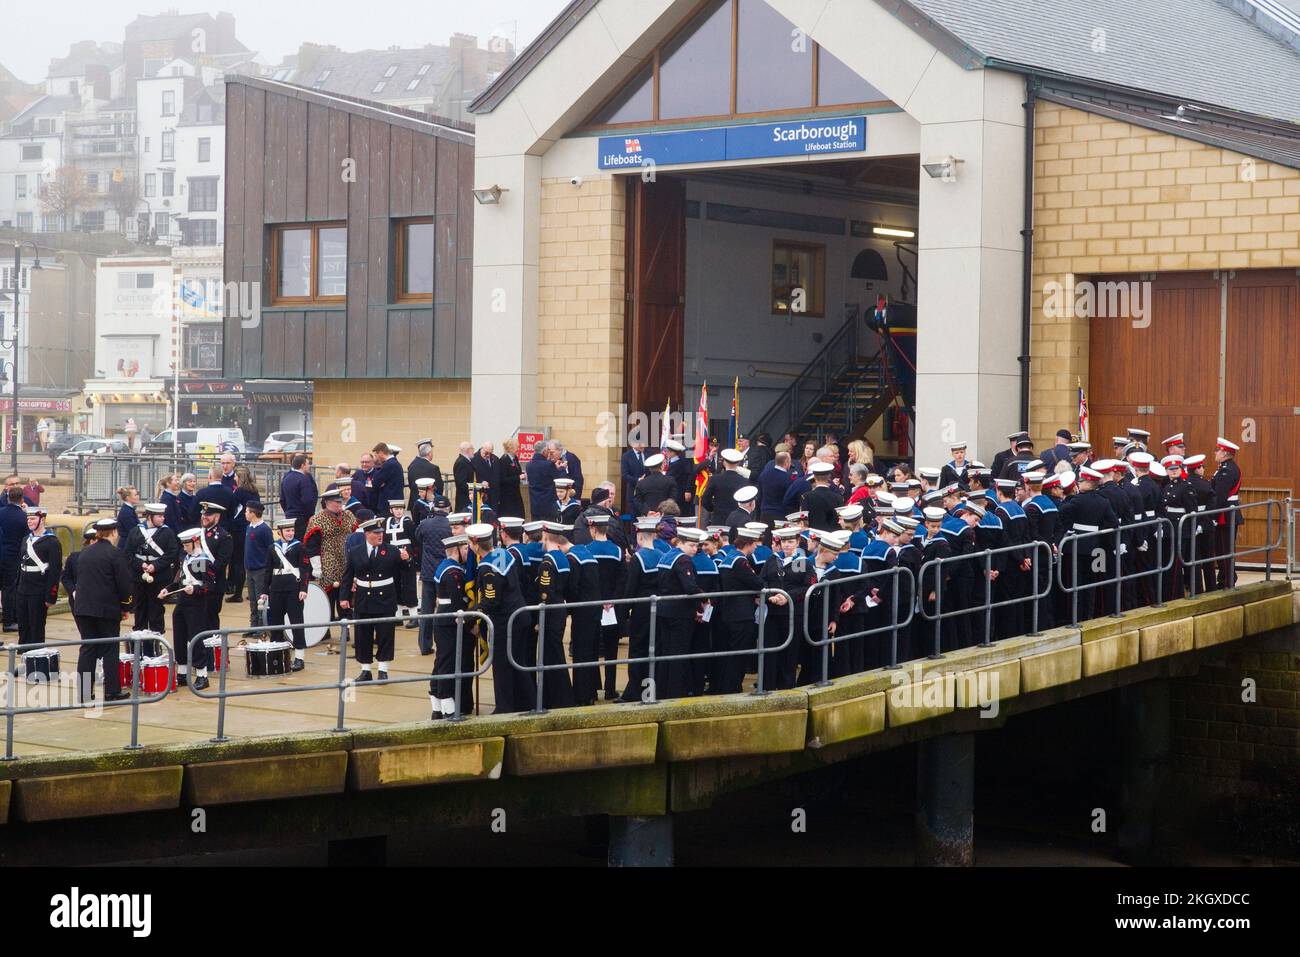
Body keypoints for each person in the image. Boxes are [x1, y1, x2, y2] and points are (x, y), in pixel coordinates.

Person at [469, 521, 532, 714]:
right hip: (519, 616)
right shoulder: (503, 553)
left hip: (506, 622)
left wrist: (470, 618)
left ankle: (505, 707)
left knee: (503, 666)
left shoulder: (487, 568)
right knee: (519, 662)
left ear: (475, 544)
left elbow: (491, 600)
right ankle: (527, 702)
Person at [72, 518, 134, 703]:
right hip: (106, 609)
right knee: (109, 649)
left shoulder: (85, 553)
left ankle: (84, 692)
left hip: (83, 608)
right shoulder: (114, 554)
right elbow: (124, 585)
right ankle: (112, 691)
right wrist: (126, 606)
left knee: (88, 649)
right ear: (113, 532)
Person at [340, 517, 405, 682]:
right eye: (376, 533)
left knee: (385, 635)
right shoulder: (355, 551)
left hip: (385, 597)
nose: (380, 535)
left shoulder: (391, 550)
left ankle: (383, 669)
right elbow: (347, 576)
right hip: (364, 598)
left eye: (381, 532)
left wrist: (407, 560)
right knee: (363, 635)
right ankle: (366, 670)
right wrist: (344, 597)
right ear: (367, 534)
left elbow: (404, 571)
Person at [655, 525, 706, 700]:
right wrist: (703, 601)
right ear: (681, 543)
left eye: (696, 546)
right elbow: (690, 587)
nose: (695, 549)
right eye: (691, 545)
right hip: (680, 614)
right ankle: (674, 692)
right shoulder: (683, 560)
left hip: (664, 611)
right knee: (678, 654)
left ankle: (662, 690)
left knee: (666, 653)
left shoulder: (666, 556)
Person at [531, 522, 578, 709]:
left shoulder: (547, 561)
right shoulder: (563, 558)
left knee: (551, 656)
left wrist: (539, 619)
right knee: (555, 654)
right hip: (560, 609)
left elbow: (545, 592)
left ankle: (558, 697)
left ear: (545, 536)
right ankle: (559, 696)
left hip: (550, 612)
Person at [429, 532, 474, 719]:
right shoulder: (454, 572)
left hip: (443, 619)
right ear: (455, 550)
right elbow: (457, 601)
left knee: (441, 661)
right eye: (465, 548)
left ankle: (437, 706)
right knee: (447, 663)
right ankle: (448, 707)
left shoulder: (444, 566)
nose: (468, 552)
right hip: (450, 622)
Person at [167, 527, 217, 691]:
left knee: (195, 640)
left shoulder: (202, 561)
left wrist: (195, 590)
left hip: (196, 604)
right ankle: (182, 673)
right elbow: (180, 579)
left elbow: (210, 586)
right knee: (179, 638)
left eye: (187, 544)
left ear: (195, 541)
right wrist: (167, 589)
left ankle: (202, 675)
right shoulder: (186, 558)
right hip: (182, 603)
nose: (184, 548)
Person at [619, 518, 662, 702]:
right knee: (654, 649)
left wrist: (622, 613)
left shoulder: (639, 558)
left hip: (641, 610)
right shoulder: (662, 555)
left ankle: (634, 691)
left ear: (639, 536)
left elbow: (630, 588)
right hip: (658, 608)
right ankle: (651, 689)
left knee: (637, 650)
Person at [303, 489, 358, 621]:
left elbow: (356, 536)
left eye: (341, 502)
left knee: (345, 597)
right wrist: (316, 566)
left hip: (346, 560)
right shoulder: (318, 519)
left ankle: (345, 629)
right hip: (327, 562)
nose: (339, 505)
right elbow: (311, 545)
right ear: (327, 502)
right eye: (336, 502)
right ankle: (324, 629)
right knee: (327, 598)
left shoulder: (348, 515)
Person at [124, 503, 178, 634]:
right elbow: (128, 553)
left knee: (156, 608)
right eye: (159, 516)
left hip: (159, 576)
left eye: (163, 516)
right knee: (140, 607)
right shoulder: (136, 531)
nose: (162, 518)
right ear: (149, 517)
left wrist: (156, 566)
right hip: (139, 575)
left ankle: (156, 636)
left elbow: (172, 553)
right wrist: (140, 564)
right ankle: (139, 636)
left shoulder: (167, 532)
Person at [264, 517, 309, 672]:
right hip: (276, 589)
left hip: (293, 589)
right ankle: (276, 654)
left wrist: (304, 589)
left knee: (296, 623)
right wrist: (264, 591)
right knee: (276, 623)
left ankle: (299, 657)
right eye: (287, 530)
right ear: (280, 532)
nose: (291, 533)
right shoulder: (272, 548)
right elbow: (267, 571)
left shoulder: (299, 547)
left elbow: (304, 570)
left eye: (292, 530)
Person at [16, 506, 62, 648]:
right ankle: (24, 656)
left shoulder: (52, 541)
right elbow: (21, 565)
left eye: (33, 518)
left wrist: (50, 596)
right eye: (28, 518)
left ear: (42, 520)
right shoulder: (26, 539)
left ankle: (36, 658)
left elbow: (55, 571)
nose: (29, 521)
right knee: (23, 626)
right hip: (23, 588)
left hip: (39, 590)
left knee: (36, 626)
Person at [196, 502, 233, 639]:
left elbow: (221, 563)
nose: (204, 517)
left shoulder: (224, 536)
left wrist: (202, 572)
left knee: (210, 618)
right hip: (197, 583)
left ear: (217, 517)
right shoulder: (197, 533)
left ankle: (212, 652)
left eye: (208, 515)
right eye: (203, 514)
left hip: (214, 584)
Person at [1211, 437, 1242, 590]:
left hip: (1226, 513)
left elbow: (1220, 496)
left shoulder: (1226, 470)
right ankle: (1225, 578)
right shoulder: (1225, 467)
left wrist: (1214, 517)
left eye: (1217, 450)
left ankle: (1227, 580)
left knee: (1224, 548)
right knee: (1223, 548)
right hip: (1228, 512)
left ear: (1224, 453)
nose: (1215, 453)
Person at [383, 498, 419, 628]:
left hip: (406, 557)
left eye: (401, 509)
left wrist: (412, 557)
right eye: (396, 509)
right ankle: (397, 617)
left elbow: (415, 541)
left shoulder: (408, 523)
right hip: (392, 558)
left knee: (409, 586)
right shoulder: (385, 523)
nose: (398, 511)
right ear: (391, 510)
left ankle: (414, 617)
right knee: (395, 585)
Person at [227, 467, 260, 603]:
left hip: (239, 529)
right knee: (252, 560)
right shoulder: (254, 491)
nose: (234, 478)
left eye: (235, 476)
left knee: (238, 561)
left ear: (239, 478)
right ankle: (254, 591)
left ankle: (238, 593)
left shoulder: (239, 492)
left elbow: (232, 508)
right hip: (252, 527)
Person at [242, 500, 273, 634]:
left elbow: (270, 549)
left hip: (260, 569)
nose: (245, 513)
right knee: (253, 599)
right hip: (250, 568)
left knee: (261, 599)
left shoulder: (264, 529)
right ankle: (253, 625)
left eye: (247, 511)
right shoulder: (249, 527)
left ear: (253, 513)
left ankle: (262, 626)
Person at [0, 485, 25, 633]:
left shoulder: (1, 512)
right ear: (21, 499)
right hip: (13, 557)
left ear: (8, 498)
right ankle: (9, 621)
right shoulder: (23, 517)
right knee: (10, 589)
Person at [700, 447, 747, 524]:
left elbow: (705, 500)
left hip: (718, 520)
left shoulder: (715, 479)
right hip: (737, 522)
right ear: (738, 463)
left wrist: (713, 509)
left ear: (724, 462)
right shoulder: (744, 481)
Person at [61, 525, 99, 615]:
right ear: (92, 541)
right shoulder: (74, 558)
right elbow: (66, 578)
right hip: (79, 600)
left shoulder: (107, 557)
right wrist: (73, 591)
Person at [280, 454, 319, 540]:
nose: (309, 466)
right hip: (302, 518)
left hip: (290, 516)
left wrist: (288, 512)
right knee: (302, 543)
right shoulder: (304, 479)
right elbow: (308, 500)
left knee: (292, 541)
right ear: (302, 465)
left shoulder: (286, 477)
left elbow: (282, 500)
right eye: (308, 464)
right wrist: (310, 515)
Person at [632, 453, 676, 517]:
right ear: (662, 466)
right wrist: (662, 512)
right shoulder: (670, 481)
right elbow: (673, 499)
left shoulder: (641, 483)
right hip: (665, 517)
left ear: (650, 468)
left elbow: (637, 501)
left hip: (648, 518)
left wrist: (647, 511)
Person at [407, 438, 444, 512]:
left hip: (415, 504)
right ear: (429, 453)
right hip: (429, 504)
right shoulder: (434, 468)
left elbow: (411, 486)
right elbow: (439, 487)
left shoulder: (411, 466)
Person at [525, 441, 559, 519]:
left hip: (534, 504)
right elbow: (558, 477)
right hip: (548, 505)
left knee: (536, 529)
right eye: (548, 450)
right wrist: (560, 468)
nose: (549, 452)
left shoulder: (528, 465)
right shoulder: (548, 465)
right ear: (544, 451)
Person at [371, 443, 405, 518]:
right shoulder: (394, 463)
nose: (376, 458)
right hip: (394, 503)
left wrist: (379, 483)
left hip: (388, 504)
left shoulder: (389, 464)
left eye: (376, 455)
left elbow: (375, 482)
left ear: (381, 453)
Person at [497, 439, 526, 518]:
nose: (518, 449)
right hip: (507, 496)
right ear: (510, 448)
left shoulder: (515, 459)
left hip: (515, 493)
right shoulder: (503, 460)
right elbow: (503, 479)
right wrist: (518, 477)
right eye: (517, 447)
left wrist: (521, 475)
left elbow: (516, 472)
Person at [471, 442, 501, 510]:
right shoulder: (474, 459)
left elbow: (497, 476)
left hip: (494, 496)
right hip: (482, 495)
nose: (488, 455)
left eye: (490, 453)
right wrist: (481, 481)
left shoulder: (495, 459)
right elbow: (472, 477)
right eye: (486, 453)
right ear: (482, 449)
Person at [620, 441, 647, 515]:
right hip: (633, 493)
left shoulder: (648, 454)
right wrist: (638, 480)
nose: (643, 445)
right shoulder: (626, 456)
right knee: (634, 519)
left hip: (647, 494)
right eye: (640, 443)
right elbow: (625, 475)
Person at [452, 442, 476, 513]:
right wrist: (473, 489)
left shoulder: (466, 461)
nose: (473, 451)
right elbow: (461, 483)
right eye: (472, 449)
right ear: (468, 450)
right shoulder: (461, 463)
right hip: (464, 500)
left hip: (468, 498)